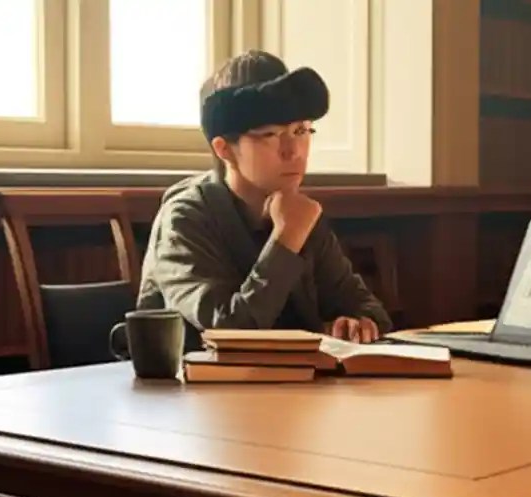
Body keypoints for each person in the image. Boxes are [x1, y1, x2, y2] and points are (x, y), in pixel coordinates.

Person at [135, 50, 391, 344]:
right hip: (194, 388)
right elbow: (231, 333)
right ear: (224, 149)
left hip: (293, 386)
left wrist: (357, 325)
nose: (293, 150)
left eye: (301, 130)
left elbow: (370, 311)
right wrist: (286, 240)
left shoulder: (297, 212)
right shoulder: (185, 220)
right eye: (270, 134)